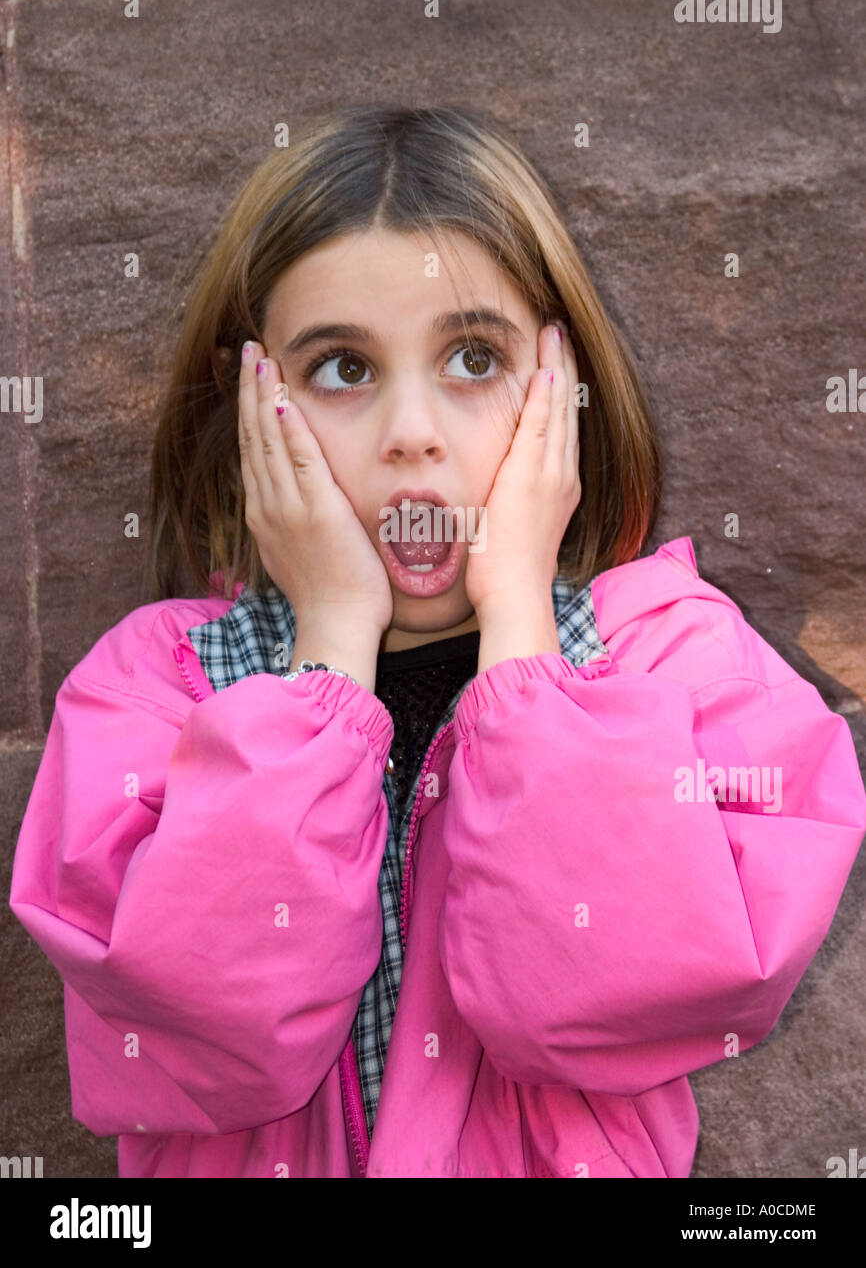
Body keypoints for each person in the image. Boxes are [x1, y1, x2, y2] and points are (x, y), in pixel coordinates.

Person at [9, 104, 866, 1179]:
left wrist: (518, 629)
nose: (411, 430)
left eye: (470, 357)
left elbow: (600, 987)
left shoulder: (670, 665)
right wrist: (325, 652)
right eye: (341, 369)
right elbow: (217, 1033)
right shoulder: (157, 693)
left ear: (562, 395)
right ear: (250, 409)